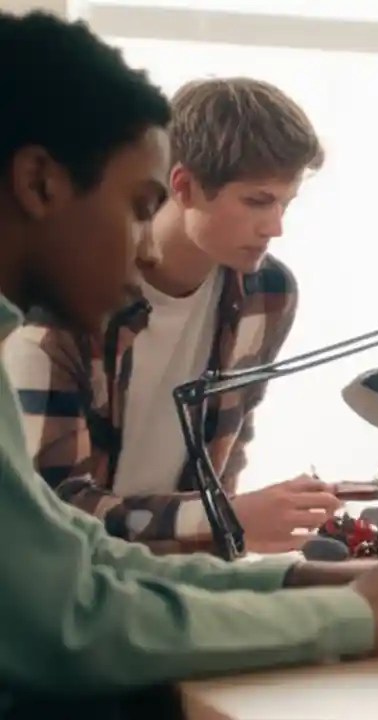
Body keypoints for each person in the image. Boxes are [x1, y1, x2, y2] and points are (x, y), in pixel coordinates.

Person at [0, 10, 378, 715]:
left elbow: (77, 554)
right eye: (139, 205)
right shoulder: (40, 333)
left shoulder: (265, 294)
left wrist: (292, 581)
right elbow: (72, 621)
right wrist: (350, 615)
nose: (143, 250)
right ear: (39, 183)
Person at [3, 74, 336, 555]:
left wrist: (232, 533)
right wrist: (223, 518)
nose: (276, 226)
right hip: (62, 584)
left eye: (286, 203)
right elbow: (49, 512)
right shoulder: (66, 298)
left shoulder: (268, 294)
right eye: (258, 201)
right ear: (183, 186)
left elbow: (226, 457)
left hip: (166, 580)